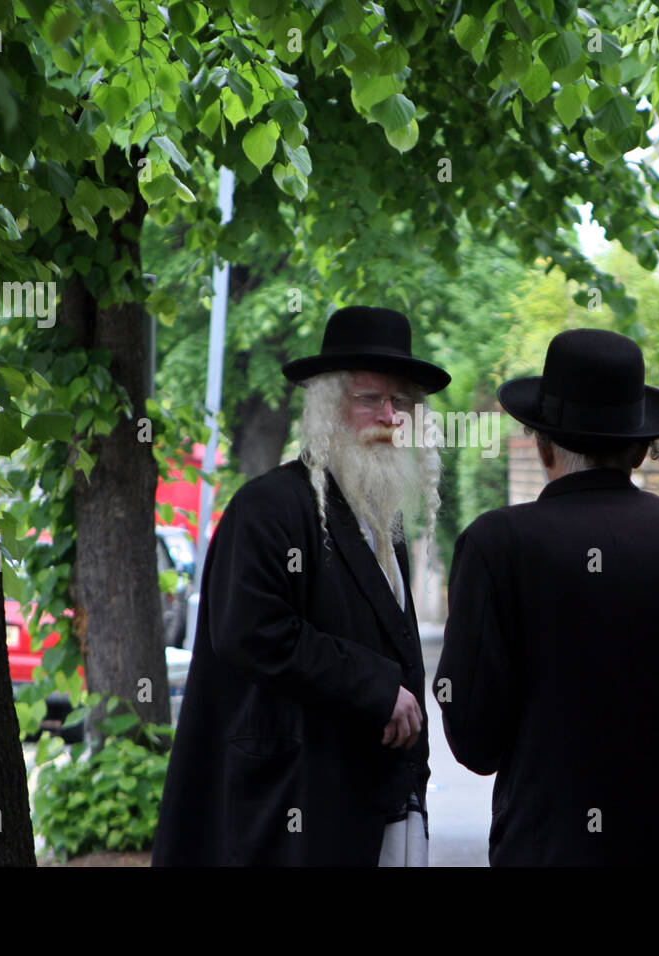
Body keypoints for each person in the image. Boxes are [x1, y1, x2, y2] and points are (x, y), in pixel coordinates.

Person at [435, 328, 659, 865]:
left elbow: (473, 735)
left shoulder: (497, 543)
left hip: (550, 844)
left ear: (542, 443)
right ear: (643, 449)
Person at [152, 305, 447, 866]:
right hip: (294, 810)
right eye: (370, 399)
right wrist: (374, 686)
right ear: (328, 409)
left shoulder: (384, 522)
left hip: (375, 800)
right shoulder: (269, 507)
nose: (389, 415)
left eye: (401, 403)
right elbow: (252, 632)